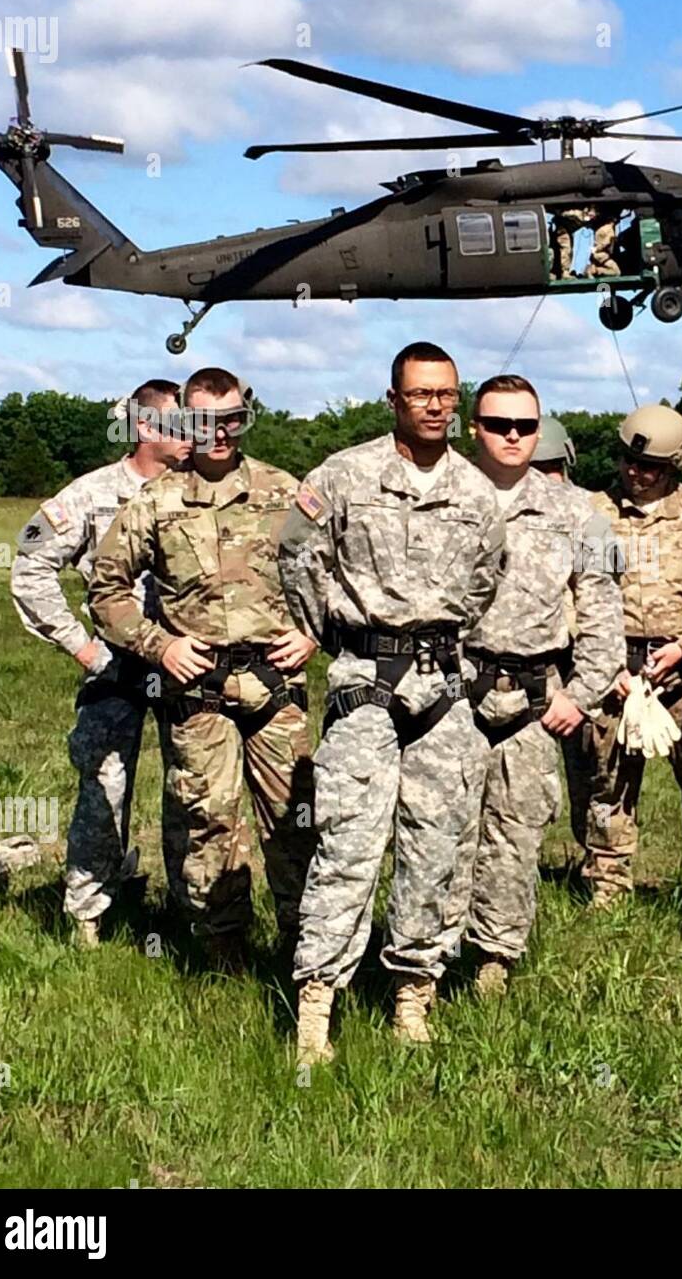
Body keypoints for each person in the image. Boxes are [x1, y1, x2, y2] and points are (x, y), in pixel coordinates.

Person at [280, 342, 505, 1054]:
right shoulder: (344, 475)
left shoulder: (475, 490)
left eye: (447, 394)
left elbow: (485, 580)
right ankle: (317, 1003)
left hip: (443, 686)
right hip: (363, 678)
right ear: (394, 399)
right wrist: (326, 630)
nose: (436, 406)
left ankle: (414, 992)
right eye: (421, 394)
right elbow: (296, 556)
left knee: (437, 846)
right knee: (348, 841)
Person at [89, 369, 318, 969]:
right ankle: (224, 954)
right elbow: (105, 588)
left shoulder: (284, 491)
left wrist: (312, 633)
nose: (219, 434)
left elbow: (334, 573)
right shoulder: (156, 502)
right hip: (198, 691)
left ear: (246, 419)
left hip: (276, 685)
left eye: (232, 420)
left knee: (298, 818)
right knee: (208, 822)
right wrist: (157, 645)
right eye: (204, 423)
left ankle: (306, 947)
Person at [457, 378, 623, 996]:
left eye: (525, 426)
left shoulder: (578, 514)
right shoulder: (446, 495)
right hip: (450, 692)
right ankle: (429, 957)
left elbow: (605, 615)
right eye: (499, 424)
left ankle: (494, 959)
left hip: (533, 697)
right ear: (475, 426)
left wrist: (578, 696)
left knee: (516, 830)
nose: (513, 436)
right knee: (441, 829)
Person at [9, 381, 188, 945]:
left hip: (188, 660)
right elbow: (30, 566)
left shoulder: (201, 490)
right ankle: (88, 913)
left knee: (193, 788)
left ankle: (193, 913)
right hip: (117, 665)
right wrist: (79, 645)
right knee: (104, 786)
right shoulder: (90, 494)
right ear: (144, 428)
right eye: (181, 426)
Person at [581, 405, 682, 918]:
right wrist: (609, 667)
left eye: (650, 466)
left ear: (675, 466)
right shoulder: (591, 514)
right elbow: (571, 595)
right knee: (608, 783)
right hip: (615, 668)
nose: (636, 473)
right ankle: (607, 884)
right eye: (629, 461)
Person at [531, 416, 595, 846]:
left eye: (552, 468)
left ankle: (596, 862)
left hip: (583, 658)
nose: (546, 480)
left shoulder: (591, 510)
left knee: (593, 770)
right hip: (527, 662)